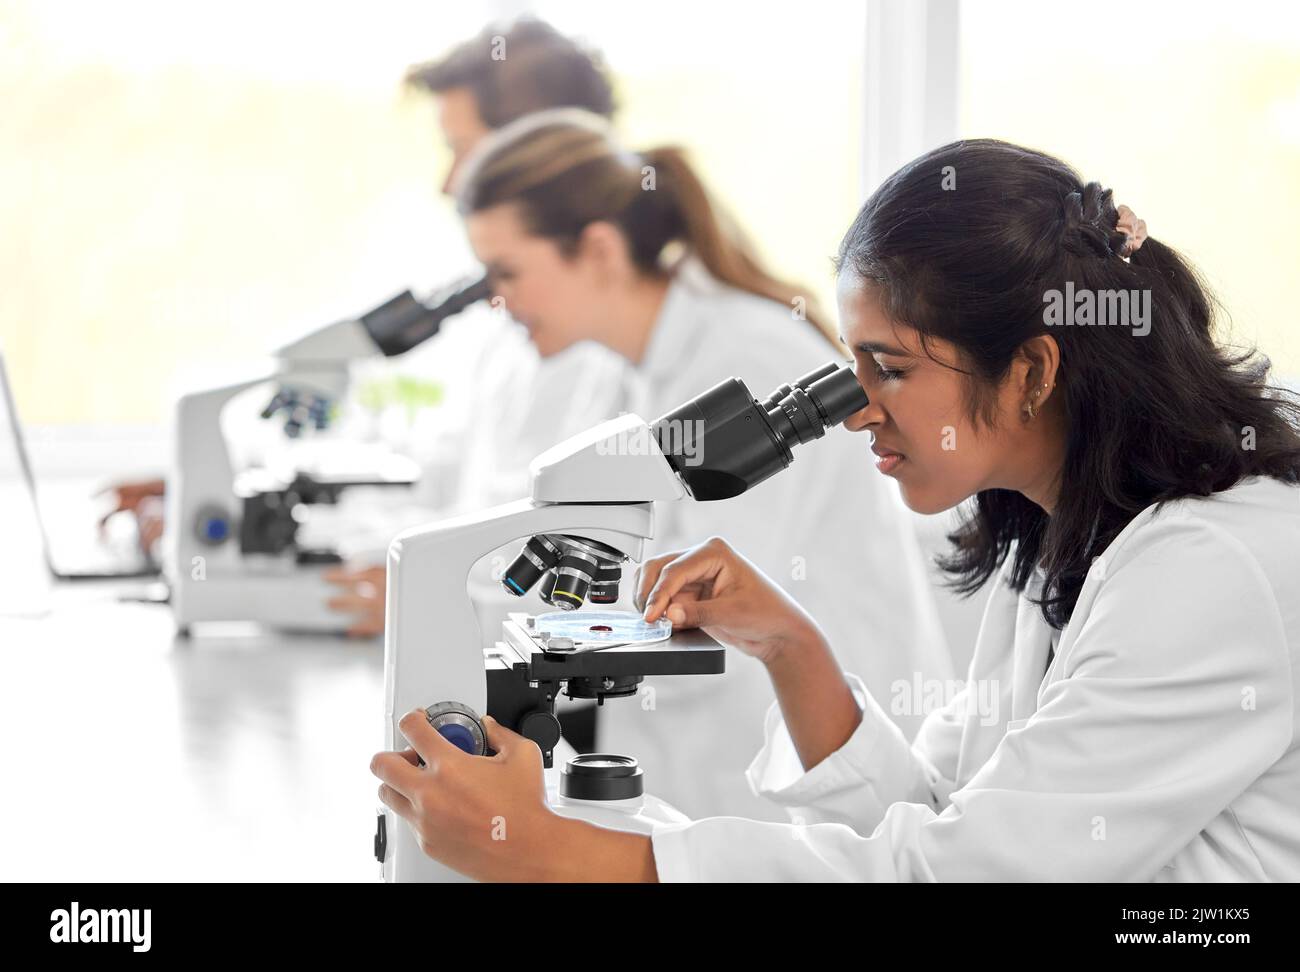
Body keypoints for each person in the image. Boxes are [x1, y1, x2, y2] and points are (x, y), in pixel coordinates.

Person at [370, 138, 1300, 881]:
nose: (856, 406)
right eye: (852, 368)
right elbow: (949, 813)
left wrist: (577, 863)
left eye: (889, 368)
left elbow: (966, 875)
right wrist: (793, 649)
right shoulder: (1060, 539)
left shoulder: (1208, 567)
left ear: (1034, 370)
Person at [423, 109, 950, 821]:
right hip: (708, 758)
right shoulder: (627, 370)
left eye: (507, 271)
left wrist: (487, 600)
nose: (495, 299)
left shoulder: (748, 355)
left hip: (825, 772)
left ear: (599, 250)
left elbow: (700, 597)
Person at [95, 17, 626, 634]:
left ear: (542, 154)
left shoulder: (600, 351)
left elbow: (577, 582)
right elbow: (442, 493)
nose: (449, 184)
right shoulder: (508, 330)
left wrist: (440, 608)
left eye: (460, 150)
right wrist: (219, 497)